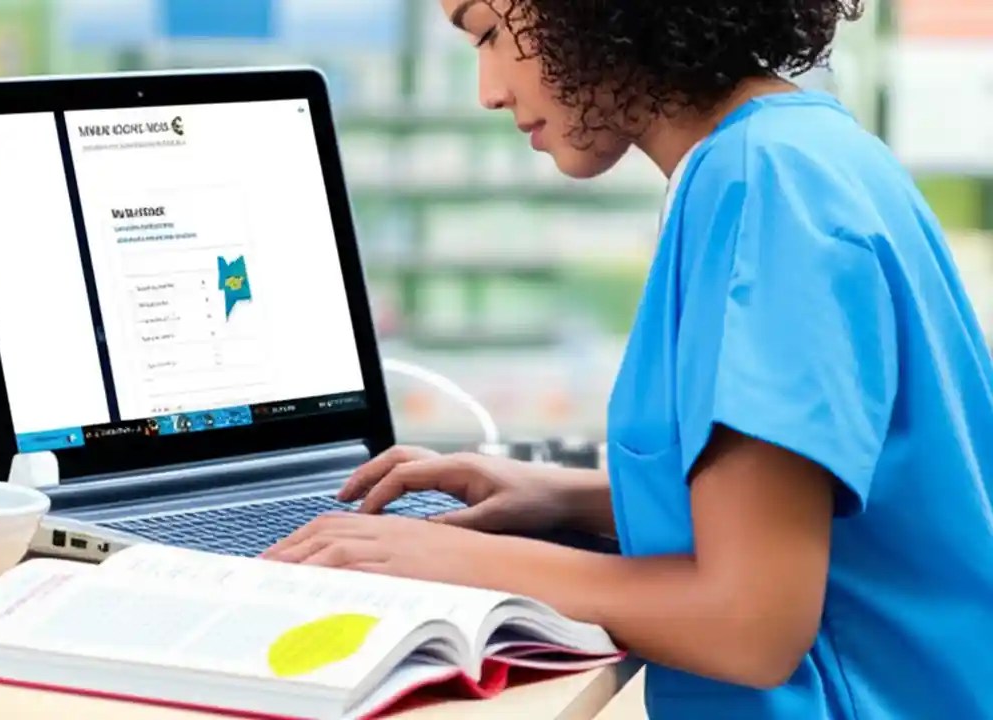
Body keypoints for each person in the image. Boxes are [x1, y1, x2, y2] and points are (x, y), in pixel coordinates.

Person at [263, 1, 993, 718]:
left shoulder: (761, 189)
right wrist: (565, 497)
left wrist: (441, 560)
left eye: (487, 33)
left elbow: (750, 625)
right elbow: (811, 516)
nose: (488, 90)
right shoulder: (807, 151)